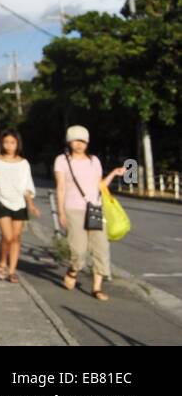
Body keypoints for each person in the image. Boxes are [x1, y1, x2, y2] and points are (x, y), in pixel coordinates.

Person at [54, 125, 125, 301]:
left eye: (83, 141)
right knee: (78, 249)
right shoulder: (62, 161)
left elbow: (99, 186)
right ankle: (73, 270)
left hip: (95, 208)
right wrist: (61, 211)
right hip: (73, 208)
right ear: (69, 141)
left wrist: (114, 174)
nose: (79, 144)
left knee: (101, 247)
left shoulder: (94, 161)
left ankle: (97, 288)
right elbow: (61, 188)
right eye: (76, 140)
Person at [0, 129, 38, 282]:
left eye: (12, 142)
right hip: (0, 199)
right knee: (7, 236)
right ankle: (2, 262)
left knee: (16, 237)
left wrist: (31, 204)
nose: (9, 145)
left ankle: (12, 270)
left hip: (19, 202)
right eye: (6, 142)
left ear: (17, 144)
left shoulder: (23, 163)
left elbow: (27, 185)